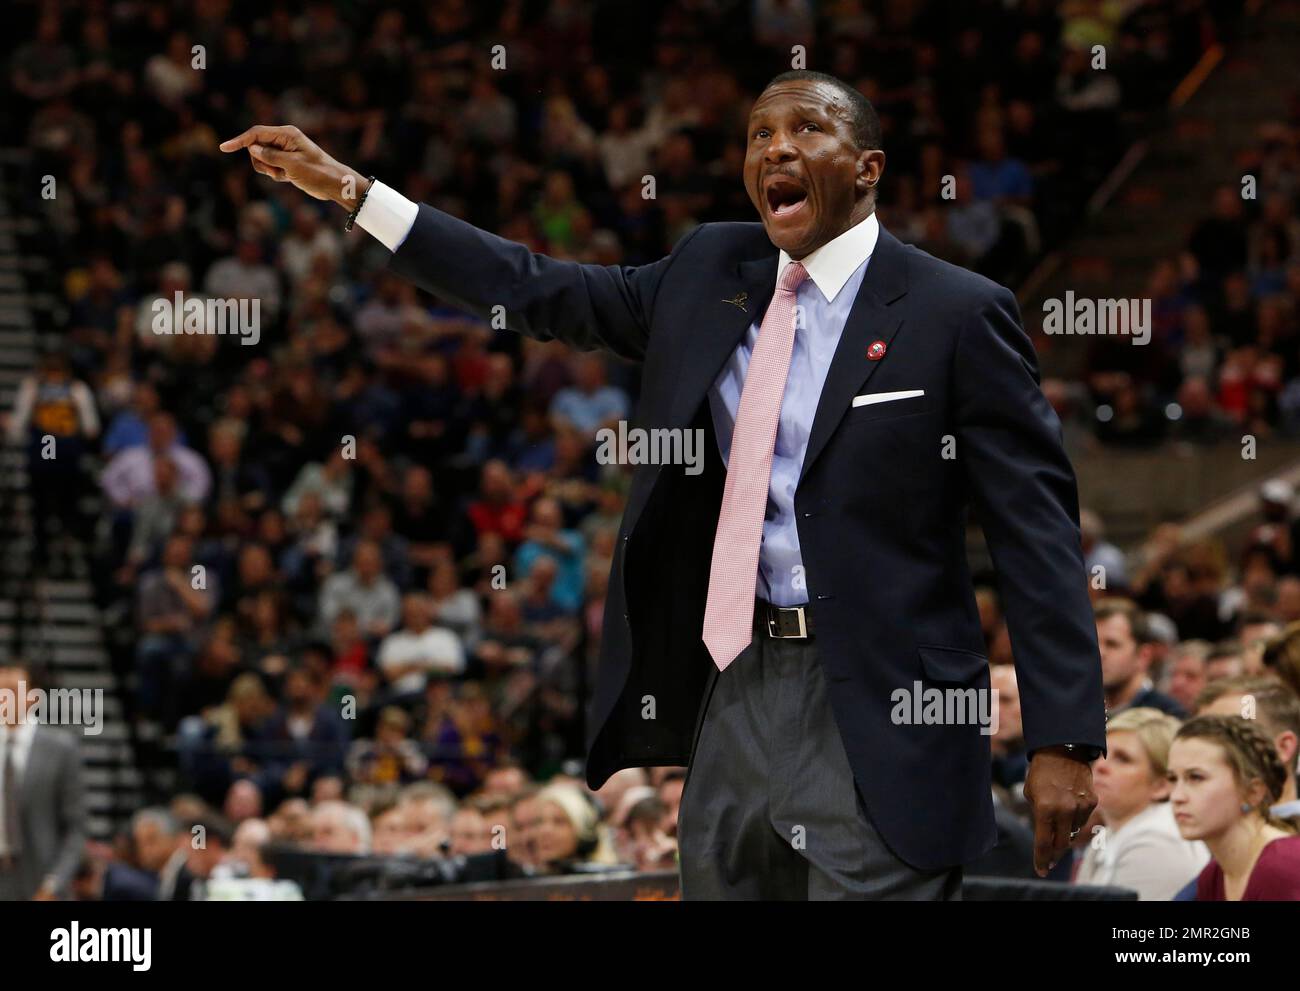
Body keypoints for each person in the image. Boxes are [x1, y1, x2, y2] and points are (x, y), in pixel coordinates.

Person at [220, 68, 1107, 900]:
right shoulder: (707, 274)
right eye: (759, 134)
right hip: (735, 677)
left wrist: (1064, 737)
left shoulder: (957, 309)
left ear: (868, 167)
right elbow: (536, 288)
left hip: (884, 695)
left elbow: (1036, 535)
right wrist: (355, 193)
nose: (775, 149)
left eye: (807, 127)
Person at [1074, 708, 1209, 899]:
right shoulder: (1108, 833)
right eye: (1101, 754)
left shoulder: (1159, 844)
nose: (1101, 766)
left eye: (1123, 759)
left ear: (1162, 785)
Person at [1168, 715, 1300, 900]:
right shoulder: (1213, 875)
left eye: (1196, 777)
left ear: (1253, 792)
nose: (1176, 796)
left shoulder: (1284, 868)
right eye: (1172, 779)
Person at [0, 663, 87, 900]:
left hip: (41, 879)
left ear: (33, 697)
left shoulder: (61, 748)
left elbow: (75, 828)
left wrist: (54, 883)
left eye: (12, 691)